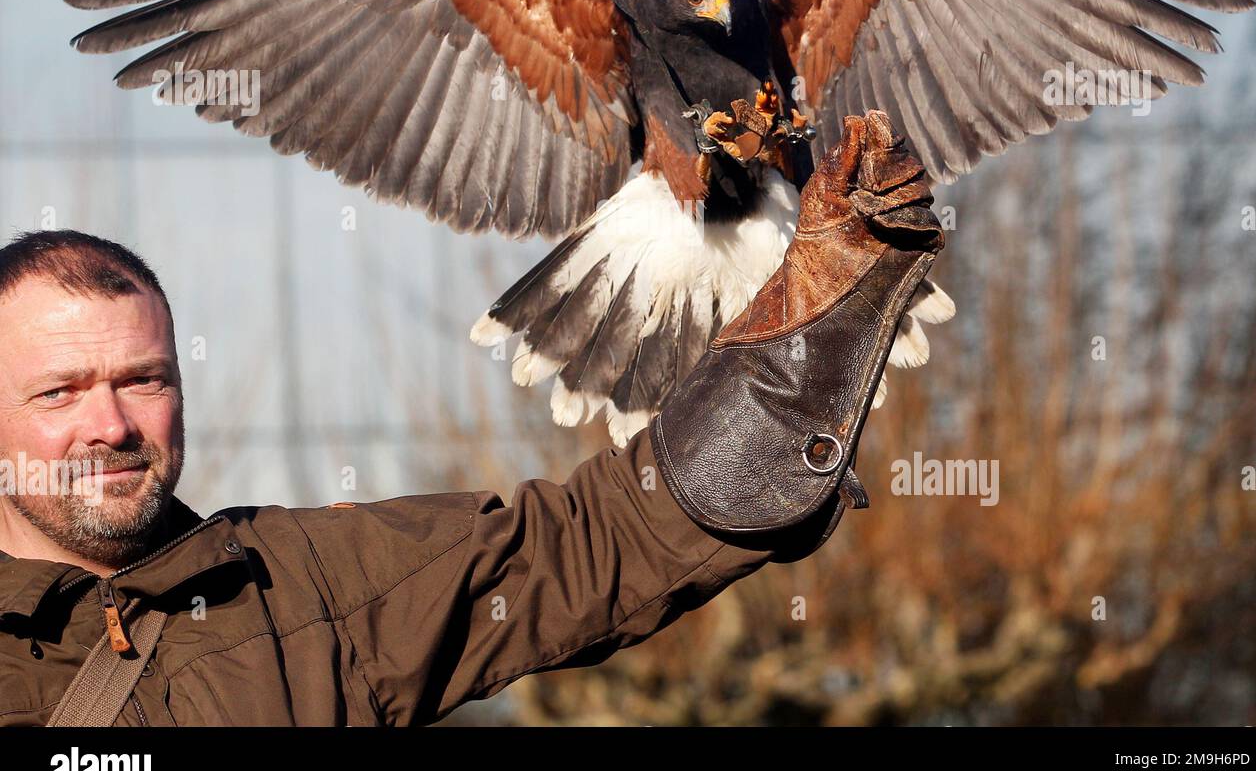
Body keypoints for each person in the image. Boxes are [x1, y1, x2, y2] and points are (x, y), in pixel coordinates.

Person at [0, 112, 942, 726]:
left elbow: (597, 546)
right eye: (59, 391)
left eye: (145, 380)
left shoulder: (304, 590)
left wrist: (816, 322)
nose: (113, 425)